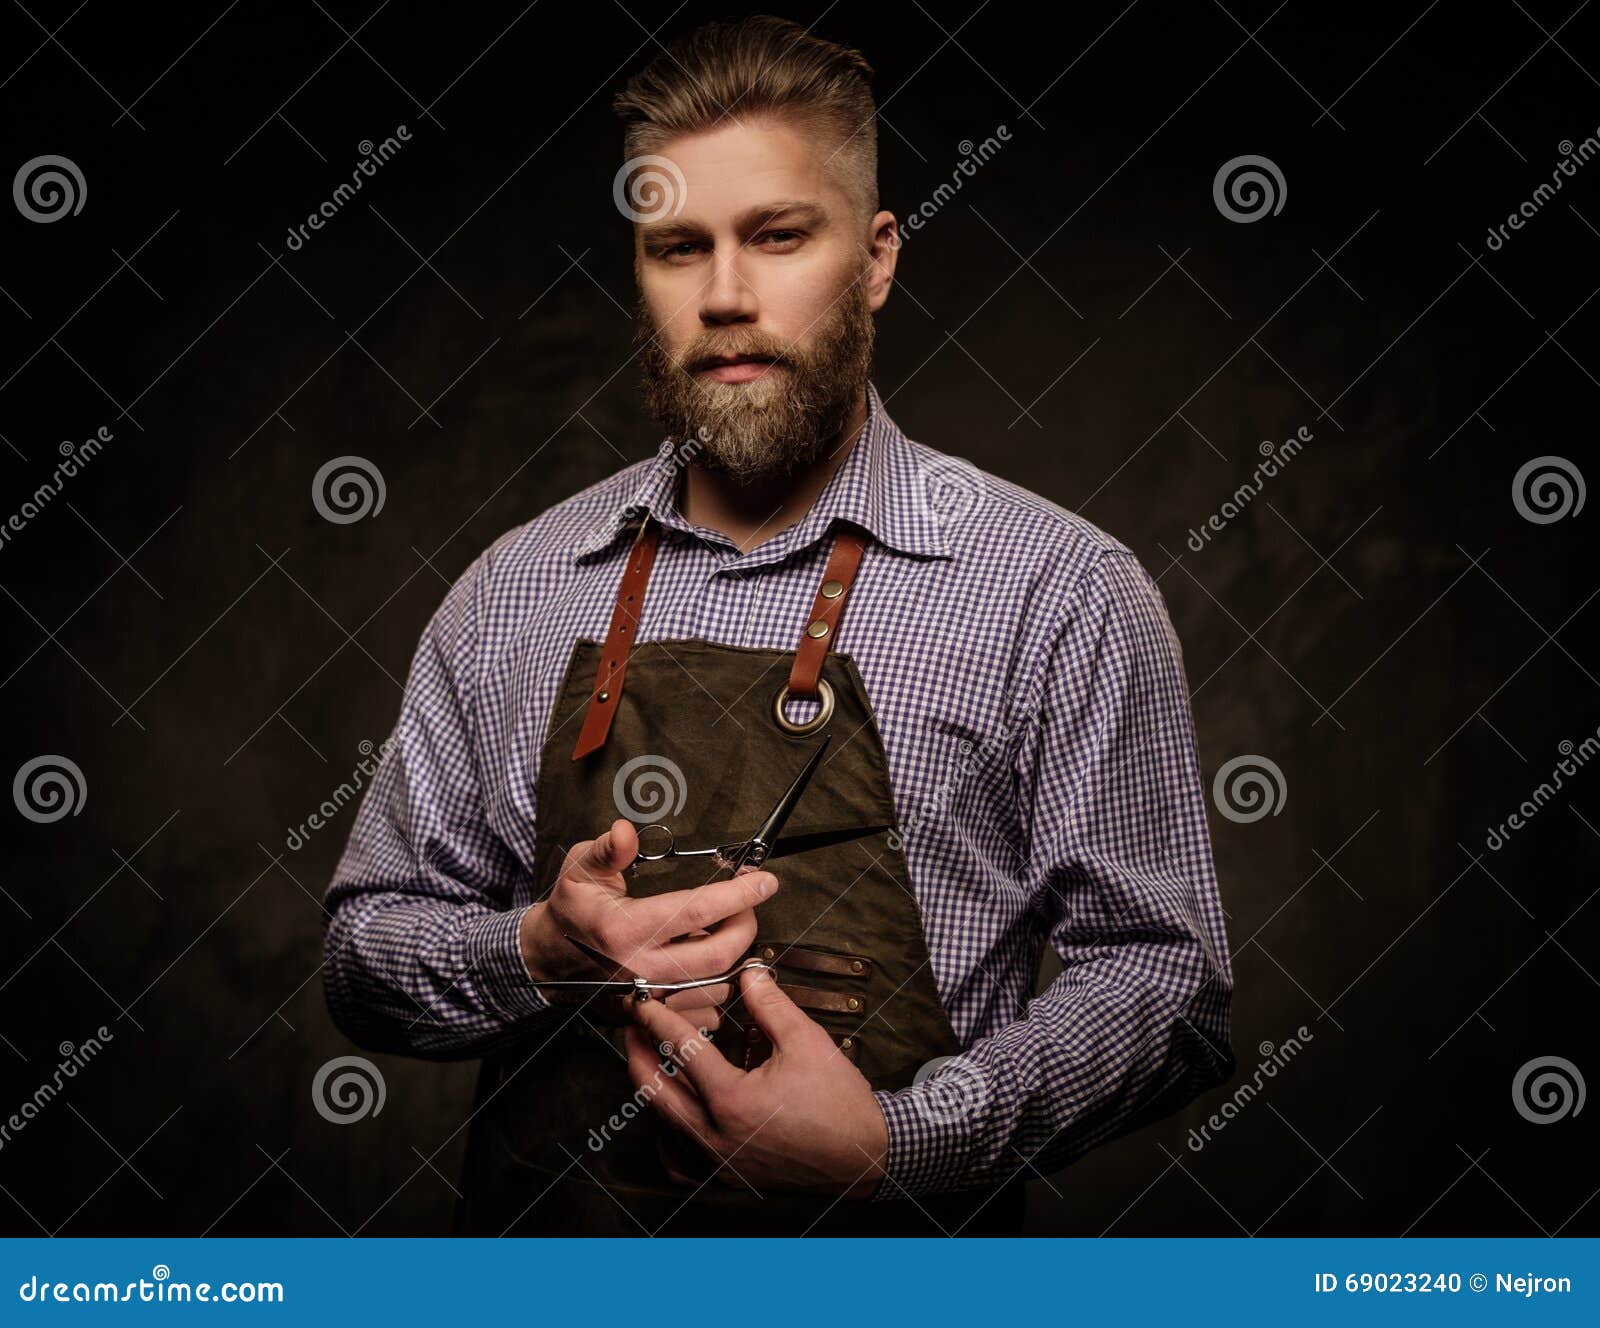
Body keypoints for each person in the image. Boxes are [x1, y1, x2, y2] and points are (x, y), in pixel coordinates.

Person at [321, 13, 1235, 1237]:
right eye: (676, 247)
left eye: (777, 235)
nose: (725, 296)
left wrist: (900, 1140)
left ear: (874, 258)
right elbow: (366, 950)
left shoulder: (1055, 589)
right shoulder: (514, 588)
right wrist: (538, 951)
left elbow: (1165, 985)